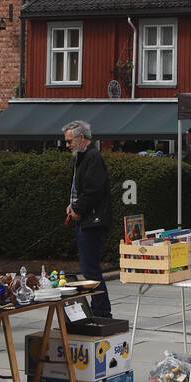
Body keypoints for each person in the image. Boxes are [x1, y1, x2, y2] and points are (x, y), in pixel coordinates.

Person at [62, 120, 113, 317]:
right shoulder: (81, 157)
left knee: (90, 268)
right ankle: (99, 307)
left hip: (92, 220)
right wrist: (72, 205)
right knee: (89, 267)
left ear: (81, 138)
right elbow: (78, 188)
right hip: (85, 218)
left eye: (69, 141)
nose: (67, 145)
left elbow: (93, 190)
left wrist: (78, 208)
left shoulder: (92, 157)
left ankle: (101, 310)